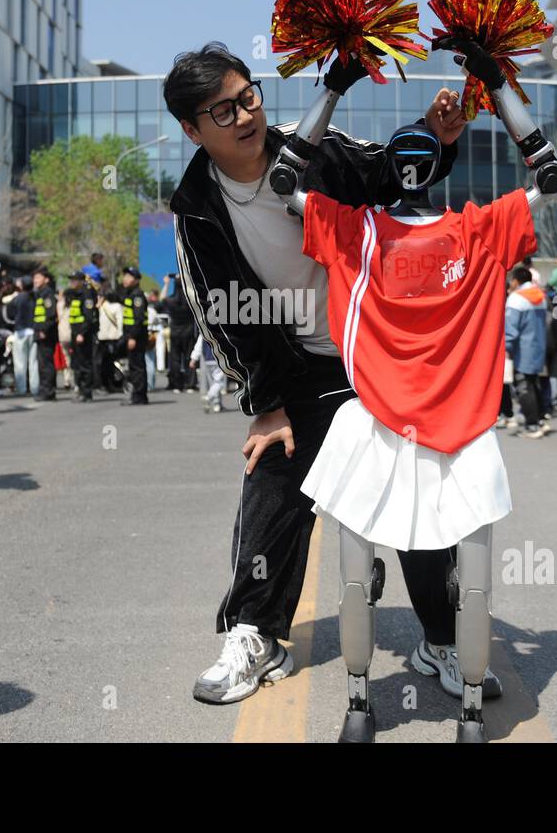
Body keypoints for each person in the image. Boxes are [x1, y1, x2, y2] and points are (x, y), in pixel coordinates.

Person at [165, 42, 468, 705]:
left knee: (415, 494)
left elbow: (386, 172)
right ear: (193, 130)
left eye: (249, 98)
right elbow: (220, 313)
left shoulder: (315, 149)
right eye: (223, 110)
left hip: (374, 351)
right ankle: (255, 634)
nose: (246, 116)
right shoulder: (194, 206)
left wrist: (436, 142)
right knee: (271, 481)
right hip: (297, 369)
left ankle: (441, 639)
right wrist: (267, 404)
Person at [505, 266, 549, 438]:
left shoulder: (516, 299)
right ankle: (539, 419)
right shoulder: (541, 296)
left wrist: (506, 349)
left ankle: (532, 425)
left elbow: (510, 330)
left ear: (516, 281)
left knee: (523, 387)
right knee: (533, 384)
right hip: (538, 347)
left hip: (521, 350)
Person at [63, 270, 98, 401]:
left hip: (83, 334)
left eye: (74, 280)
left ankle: (87, 392)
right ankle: (81, 390)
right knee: (77, 363)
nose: (71, 282)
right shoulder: (76, 294)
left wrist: (82, 333)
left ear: (81, 281)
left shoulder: (86, 293)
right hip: (75, 333)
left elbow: (88, 317)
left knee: (85, 363)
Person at [161, 273, 196, 392]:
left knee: (175, 360)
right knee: (189, 358)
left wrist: (166, 284)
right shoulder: (190, 300)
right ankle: (190, 384)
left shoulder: (171, 301)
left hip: (175, 333)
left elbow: (162, 299)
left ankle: (177, 385)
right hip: (189, 332)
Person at [120, 266, 149, 405]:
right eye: (125, 276)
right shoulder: (130, 294)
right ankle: (136, 395)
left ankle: (140, 396)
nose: (125, 279)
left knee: (137, 367)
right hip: (131, 336)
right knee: (134, 366)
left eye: (129, 277)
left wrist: (132, 337)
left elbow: (138, 319)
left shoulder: (137, 296)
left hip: (136, 337)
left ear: (136, 280)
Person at [30, 268, 59, 401]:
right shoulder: (40, 294)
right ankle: (45, 390)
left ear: (46, 280)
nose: (35, 280)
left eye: (38, 278)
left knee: (46, 364)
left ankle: (48, 391)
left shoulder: (48, 294)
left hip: (46, 335)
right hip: (39, 333)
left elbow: (51, 316)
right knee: (42, 363)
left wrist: (43, 331)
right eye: (34, 278)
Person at [7, 276, 38, 396]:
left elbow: (9, 313)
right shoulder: (36, 297)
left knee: (20, 362)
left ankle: (22, 388)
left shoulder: (17, 298)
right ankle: (35, 388)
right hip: (33, 330)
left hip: (20, 331)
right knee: (33, 362)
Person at [97, 290, 125, 393]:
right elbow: (120, 322)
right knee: (111, 363)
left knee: (104, 364)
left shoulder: (102, 307)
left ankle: (105, 384)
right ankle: (112, 383)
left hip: (103, 339)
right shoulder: (118, 307)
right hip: (114, 339)